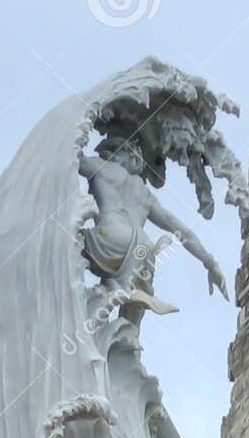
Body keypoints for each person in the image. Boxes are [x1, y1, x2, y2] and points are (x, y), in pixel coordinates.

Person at [77, 134, 227, 314]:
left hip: (111, 237)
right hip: (145, 250)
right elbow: (184, 233)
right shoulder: (146, 196)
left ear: (114, 155)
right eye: (135, 154)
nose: (138, 158)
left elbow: (69, 159)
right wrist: (210, 263)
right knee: (132, 303)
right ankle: (129, 316)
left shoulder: (104, 168)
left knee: (65, 240)